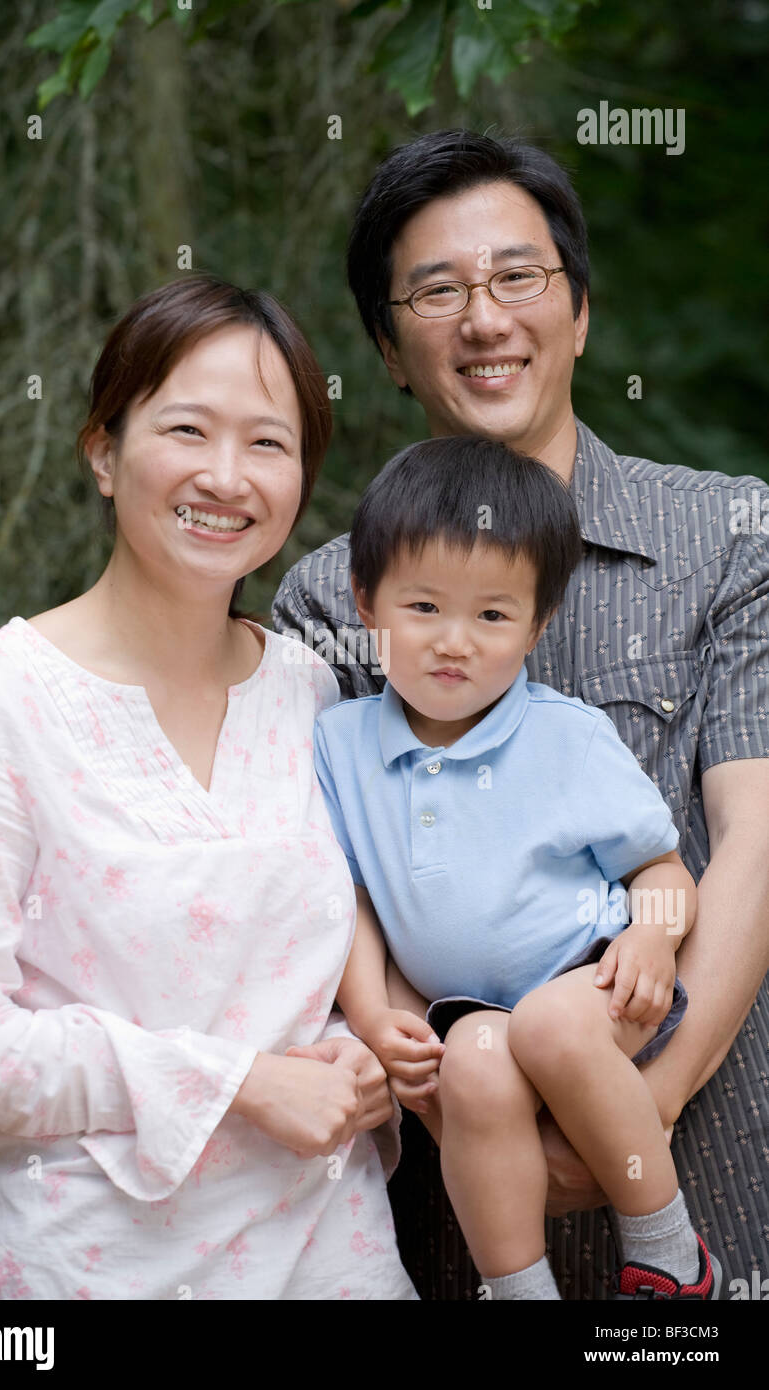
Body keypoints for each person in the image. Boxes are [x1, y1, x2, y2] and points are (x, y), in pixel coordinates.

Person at [272, 129, 769, 1299]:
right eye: (435, 291)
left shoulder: (727, 537)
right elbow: (309, 871)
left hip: (713, 1161)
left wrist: (642, 1102)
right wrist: (448, 1094)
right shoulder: (323, 599)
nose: (482, 317)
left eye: (516, 276)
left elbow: (751, 837)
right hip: (456, 1212)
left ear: (579, 312)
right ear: (390, 350)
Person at [0, 274, 418, 1301]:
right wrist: (237, 1085)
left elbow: (335, 948)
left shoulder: (312, 691)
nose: (226, 476)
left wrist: (363, 1056)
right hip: (76, 1264)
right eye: (187, 429)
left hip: (328, 1249)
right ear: (103, 450)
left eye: (267, 443)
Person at [314, 435, 722, 1300]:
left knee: (547, 1026)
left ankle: (672, 1255)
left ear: (537, 625)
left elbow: (659, 868)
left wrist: (651, 943)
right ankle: (519, 1290)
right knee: (476, 1061)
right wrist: (371, 1011)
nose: (454, 643)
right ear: (365, 601)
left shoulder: (563, 735)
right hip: (469, 1017)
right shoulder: (338, 744)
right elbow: (347, 896)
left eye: (493, 617)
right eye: (423, 608)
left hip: (592, 984)